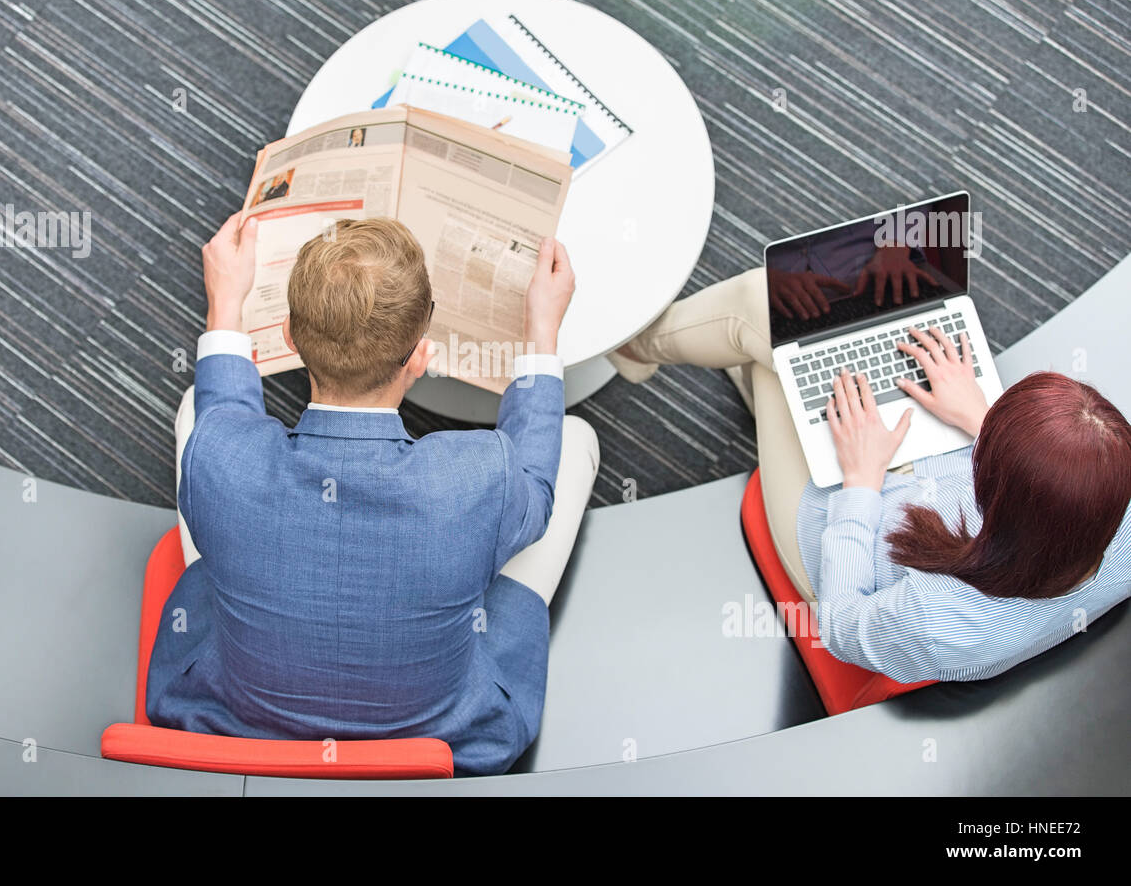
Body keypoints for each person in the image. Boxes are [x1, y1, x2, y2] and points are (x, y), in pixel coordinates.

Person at [147, 213, 599, 776]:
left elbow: (223, 415)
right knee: (574, 440)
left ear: (289, 337)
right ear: (420, 357)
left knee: (201, 412)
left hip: (234, 729)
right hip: (442, 741)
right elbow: (533, 481)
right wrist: (542, 335)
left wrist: (226, 307)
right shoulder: (481, 477)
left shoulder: (220, 456)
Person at [610, 269, 1131, 683]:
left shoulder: (938, 622)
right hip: (920, 470)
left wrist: (859, 484)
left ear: (998, 493)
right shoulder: (1102, 507)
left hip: (845, 535)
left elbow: (841, 625)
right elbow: (1050, 498)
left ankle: (631, 347)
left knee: (761, 312)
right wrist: (978, 414)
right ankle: (765, 385)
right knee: (809, 341)